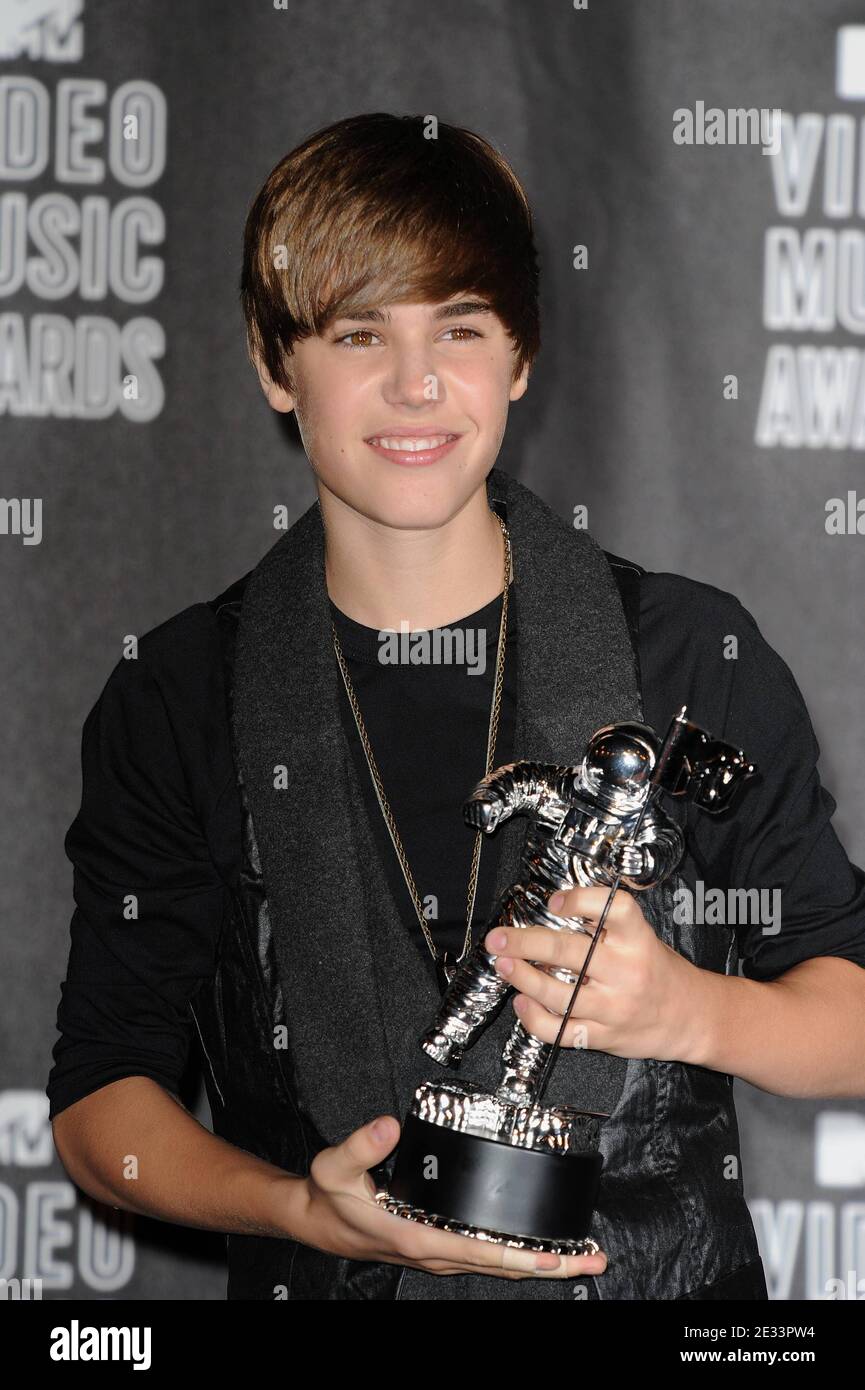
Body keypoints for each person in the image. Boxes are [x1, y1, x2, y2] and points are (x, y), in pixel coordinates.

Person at [47, 112, 865, 1302]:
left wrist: (691, 1010)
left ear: (521, 358)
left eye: (461, 328)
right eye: (358, 332)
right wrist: (300, 1212)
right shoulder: (177, 695)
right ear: (276, 365)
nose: (415, 383)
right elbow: (98, 1104)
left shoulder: (690, 653)